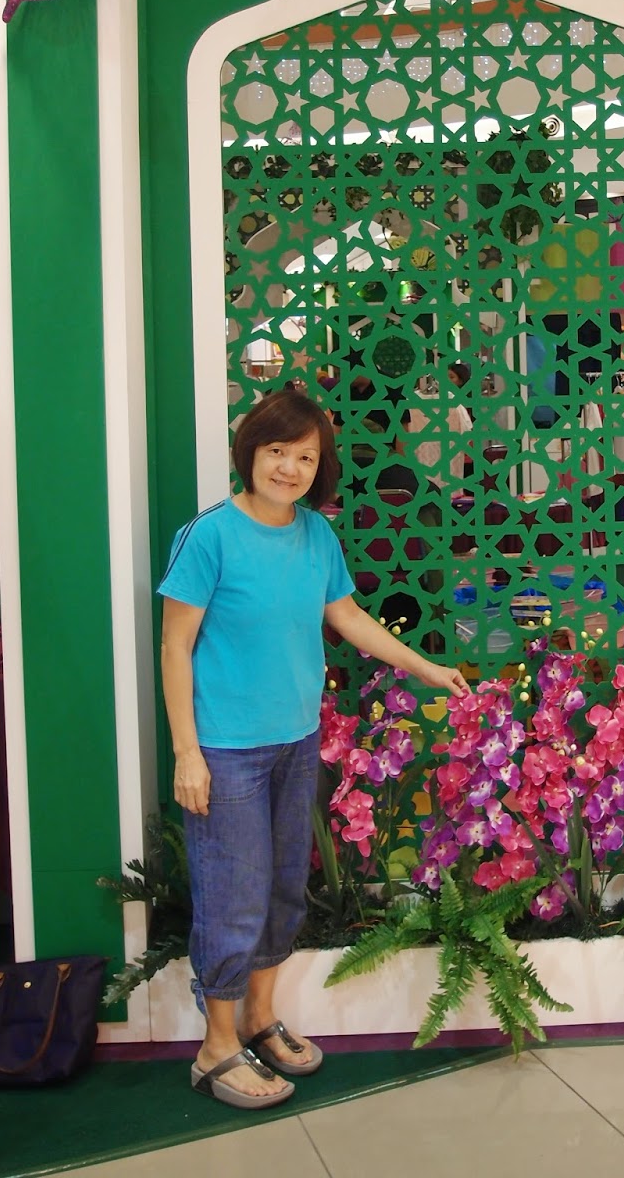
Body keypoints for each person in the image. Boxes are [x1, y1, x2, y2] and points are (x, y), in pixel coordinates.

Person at [158, 386, 469, 1111]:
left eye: (305, 457)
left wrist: (422, 665)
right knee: (231, 899)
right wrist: (186, 753)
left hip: (296, 741)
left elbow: (348, 616)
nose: (289, 468)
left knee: (280, 891)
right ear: (250, 453)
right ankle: (215, 1047)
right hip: (225, 751)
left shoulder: (315, 535)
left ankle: (260, 1019)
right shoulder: (208, 536)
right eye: (277, 452)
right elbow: (175, 648)